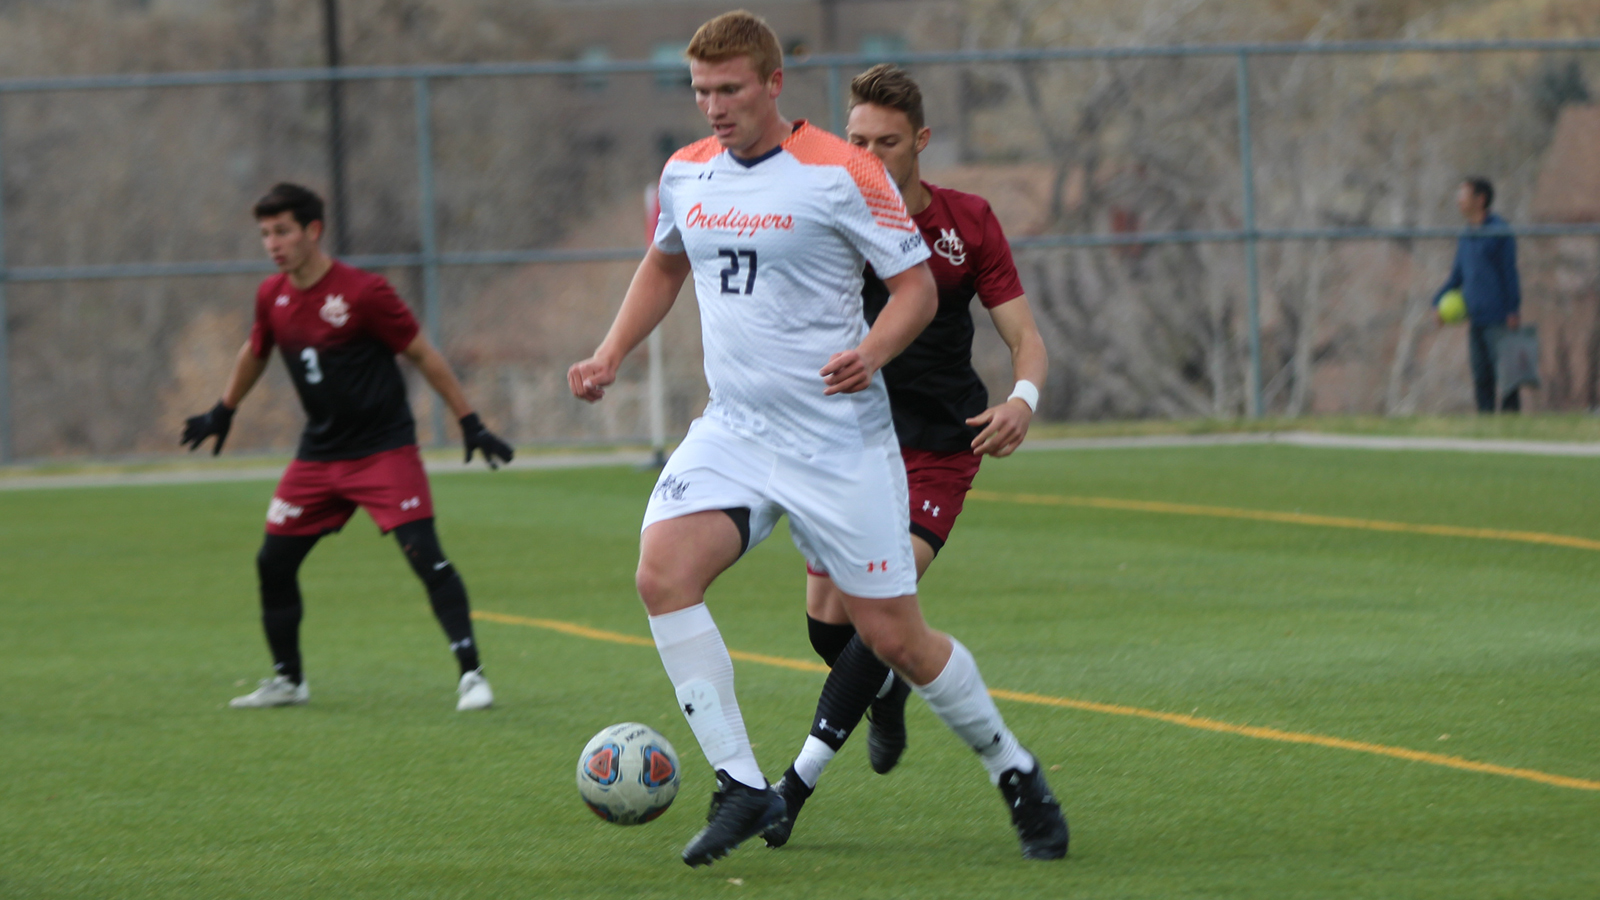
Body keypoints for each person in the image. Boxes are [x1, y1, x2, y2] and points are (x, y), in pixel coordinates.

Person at [567, 12, 1067, 866]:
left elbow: (915, 289)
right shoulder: (686, 172)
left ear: (773, 84)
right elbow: (665, 262)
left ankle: (1012, 767)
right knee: (662, 574)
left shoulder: (842, 171)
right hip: (734, 429)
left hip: (837, 441)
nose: (714, 106)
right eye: (701, 91)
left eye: (730, 89)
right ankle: (740, 784)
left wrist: (871, 352)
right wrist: (611, 352)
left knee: (895, 639)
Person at [760, 62, 1049, 850]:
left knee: (881, 617)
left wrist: (1022, 400)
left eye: (885, 143)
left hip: (938, 448)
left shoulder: (968, 223)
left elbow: (1024, 336)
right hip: (844, 447)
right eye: (855, 141)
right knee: (829, 626)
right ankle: (886, 694)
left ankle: (794, 785)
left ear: (920, 141)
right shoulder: (823, 221)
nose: (867, 157)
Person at [181, 182, 514, 712]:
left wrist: (468, 422)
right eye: (265, 233)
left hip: (384, 451)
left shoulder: (364, 293)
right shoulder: (271, 295)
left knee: (425, 555)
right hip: (318, 455)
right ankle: (289, 680)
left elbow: (422, 354)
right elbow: (256, 350)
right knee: (273, 562)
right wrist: (224, 409)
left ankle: (472, 676)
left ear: (313, 230)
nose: (273, 243)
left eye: (283, 231)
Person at [1433, 177, 1522, 413]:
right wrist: (1437, 302)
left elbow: (1509, 273)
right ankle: (1486, 421)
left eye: (1463, 196)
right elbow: (1456, 277)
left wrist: (1513, 309)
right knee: (1481, 376)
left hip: (1499, 318)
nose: (1458, 201)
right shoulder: (1466, 235)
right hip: (1476, 318)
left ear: (1480, 199)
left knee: (1507, 375)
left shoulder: (1499, 231)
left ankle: (1512, 421)